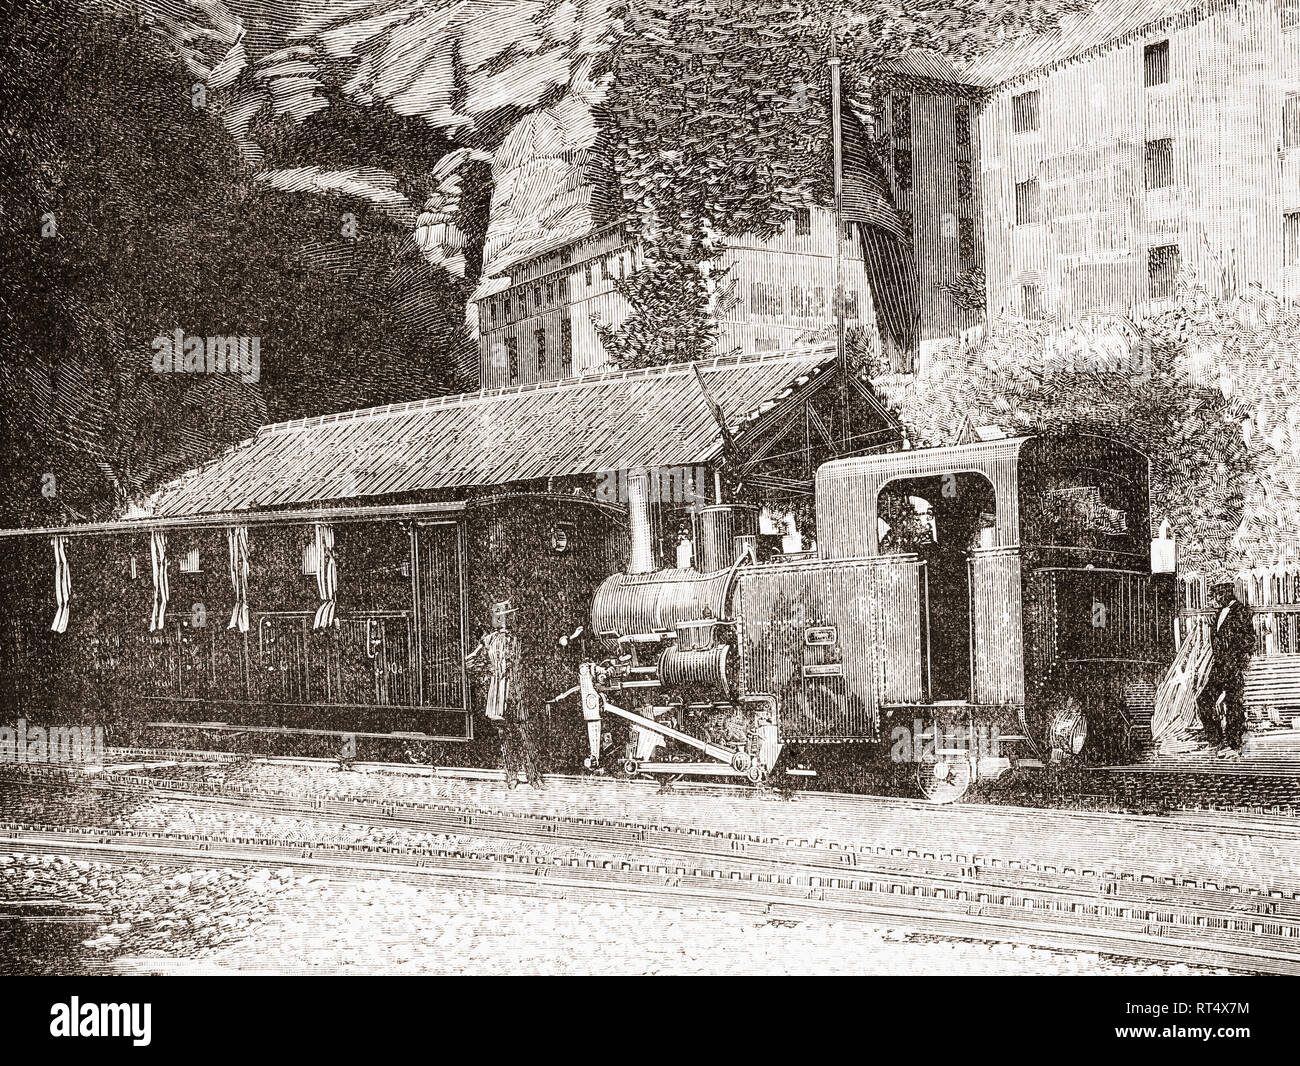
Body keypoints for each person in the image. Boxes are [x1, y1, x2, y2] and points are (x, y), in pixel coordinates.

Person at [466, 600, 545, 789]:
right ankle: (512, 776)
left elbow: (533, 663)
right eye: (508, 615)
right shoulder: (489, 640)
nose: (511, 618)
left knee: (526, 736)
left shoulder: (521, 639)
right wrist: (490, 671)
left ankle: (534, 777)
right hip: (499, 695)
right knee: (506, 737)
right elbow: (469, 662)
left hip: (519, 694)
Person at [1197, 578, 1255, 750]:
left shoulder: (1241, 611)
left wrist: (1236, 661)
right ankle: (1215, 739)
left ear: (1227, 593)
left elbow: (1249, 640)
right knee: (1204, 700)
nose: (1216, 598)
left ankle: (1233, 742)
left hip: (1234, 666)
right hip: (1220, 666)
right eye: (1215, 595)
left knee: (1233, 704)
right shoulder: (1219, 613)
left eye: (1218, 594)